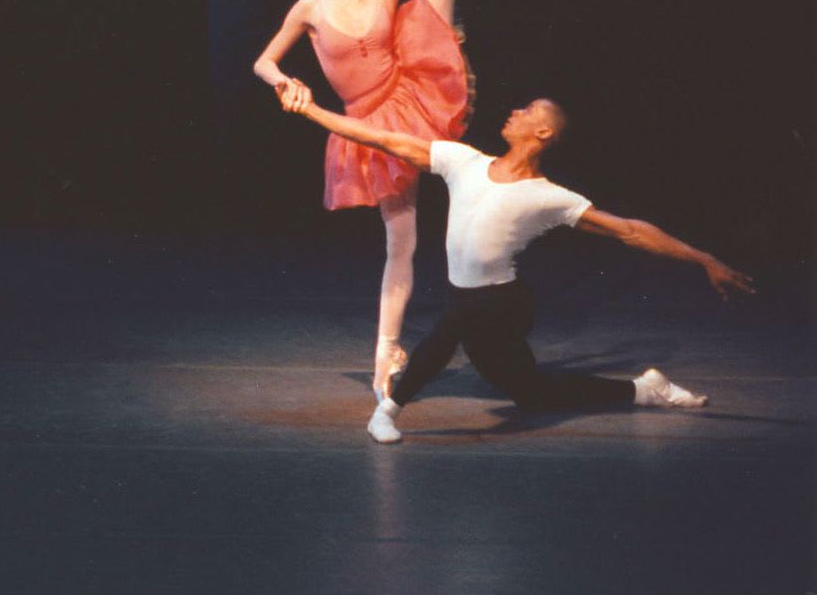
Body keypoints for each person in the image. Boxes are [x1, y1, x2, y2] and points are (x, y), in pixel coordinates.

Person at [286, 93, 755, 444]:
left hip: (503, 303)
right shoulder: (464, 162)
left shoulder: (550, 196)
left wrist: (703, 259)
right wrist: (310, 110)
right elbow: (382, 138)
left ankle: (388, 409)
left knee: (455, 323)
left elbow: (630, 231)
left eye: (528, 110)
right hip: (478, 305)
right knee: (531, 394)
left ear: (543, 133)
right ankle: (644, 390)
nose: (515, 111)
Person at [254, 0, 480, 397]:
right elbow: (263, 61)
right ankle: (386, 352)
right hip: (363, 126)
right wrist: (286, 83)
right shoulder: (311, 6)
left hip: (408, 97)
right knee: (400, 240)